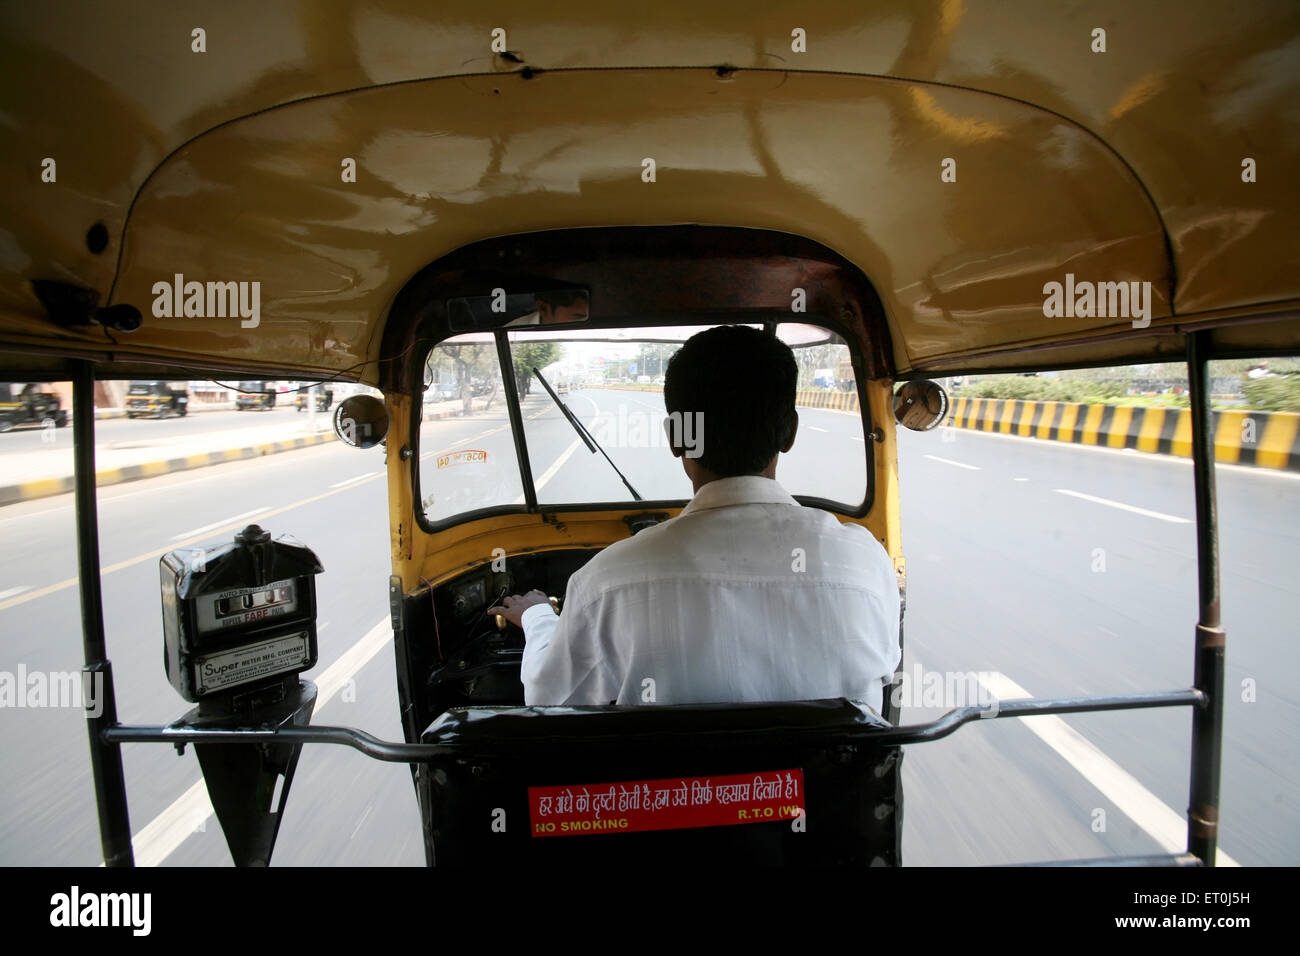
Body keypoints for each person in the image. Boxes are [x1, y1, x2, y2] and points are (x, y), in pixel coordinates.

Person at [488, 325, 900, 712]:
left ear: (676, 438)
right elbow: (881, 675)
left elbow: (547, 696)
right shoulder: (865, 564)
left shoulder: (606, 583)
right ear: (789, 433)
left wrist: (538, 616)